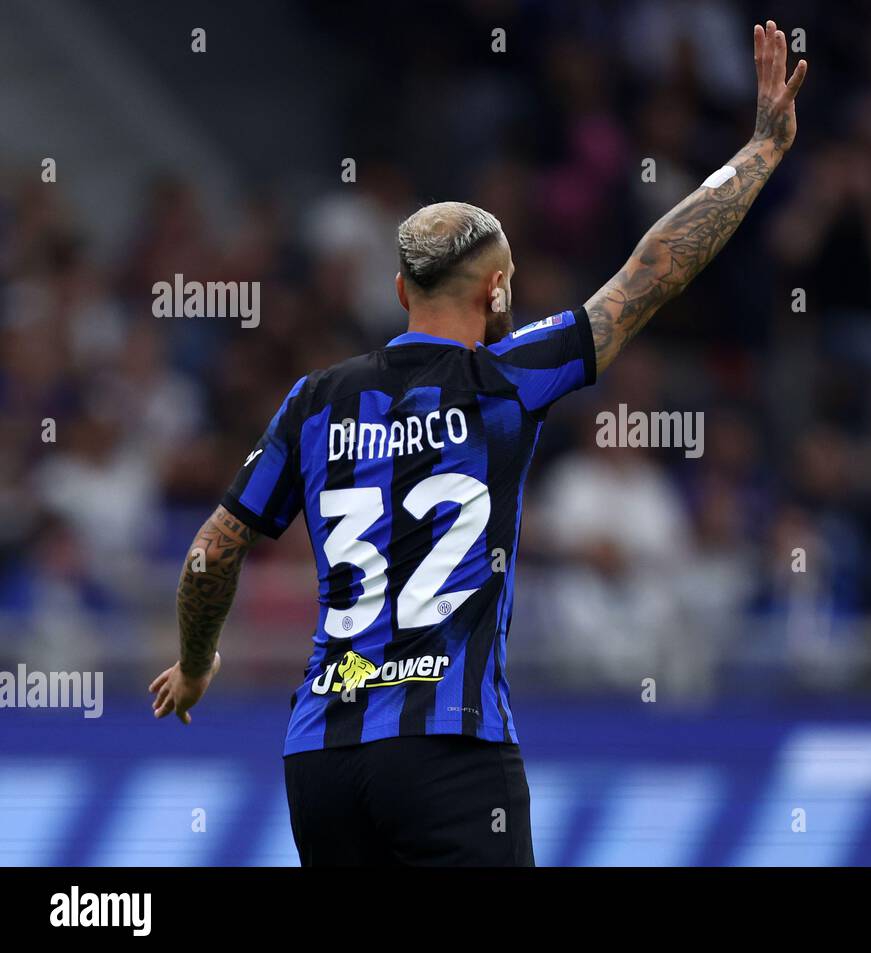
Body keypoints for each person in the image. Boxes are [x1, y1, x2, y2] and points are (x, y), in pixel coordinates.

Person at [149, 20, 807, 866]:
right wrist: (760, 150)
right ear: (498, 290)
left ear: (397, 289)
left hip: (321, 759)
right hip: (450, 752)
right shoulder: (505, 378)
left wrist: (197, 663)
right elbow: (652, 272)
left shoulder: (314, 401)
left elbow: (212, 551)